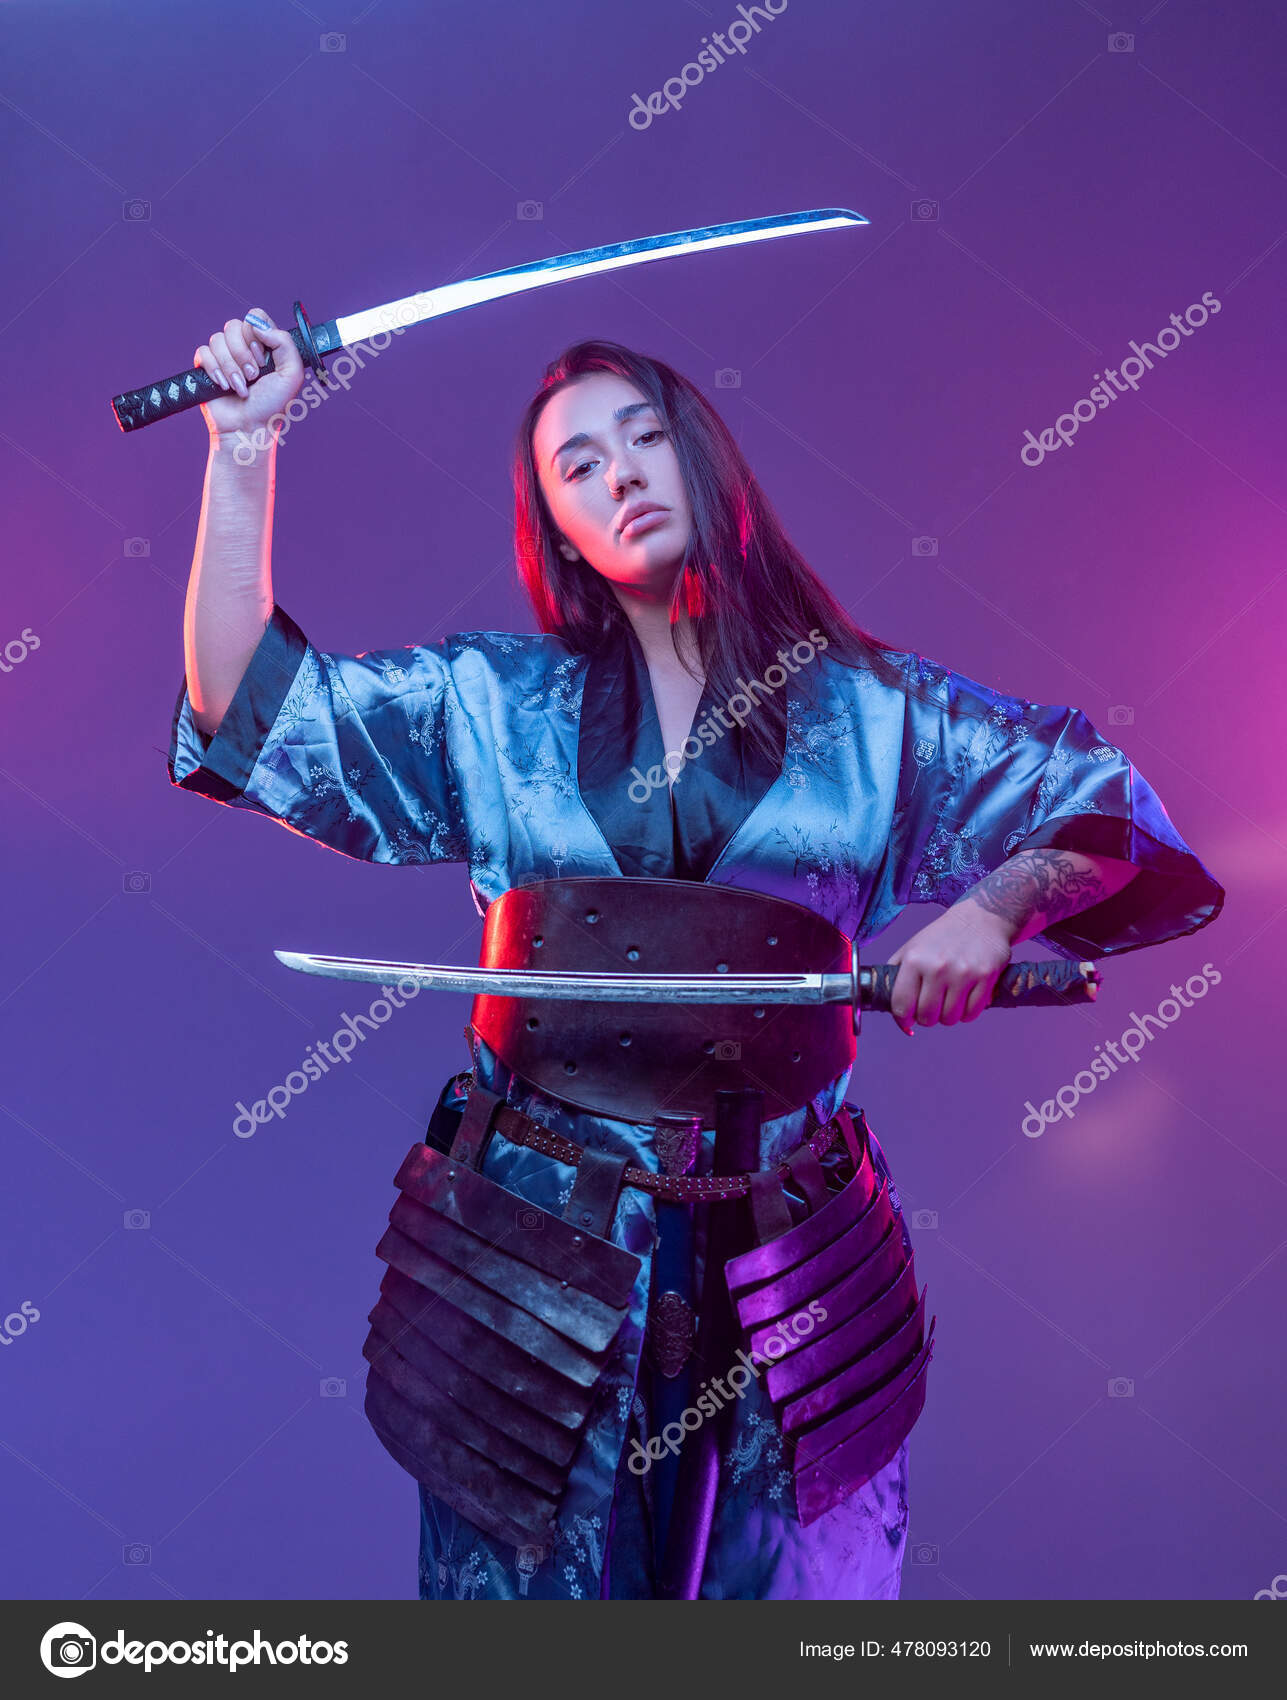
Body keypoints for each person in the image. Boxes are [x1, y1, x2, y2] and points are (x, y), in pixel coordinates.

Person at [169, 309, 1223, 1600]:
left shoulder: (878, 715)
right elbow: (254, 717)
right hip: (528, 1296)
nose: (619, 474)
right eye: (577, 466)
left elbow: (1102, 804)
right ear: (557, 526)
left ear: (703, 458)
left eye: (644, 436)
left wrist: (995, 908)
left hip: (796, 1293)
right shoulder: (487, 707)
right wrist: (243, 445)